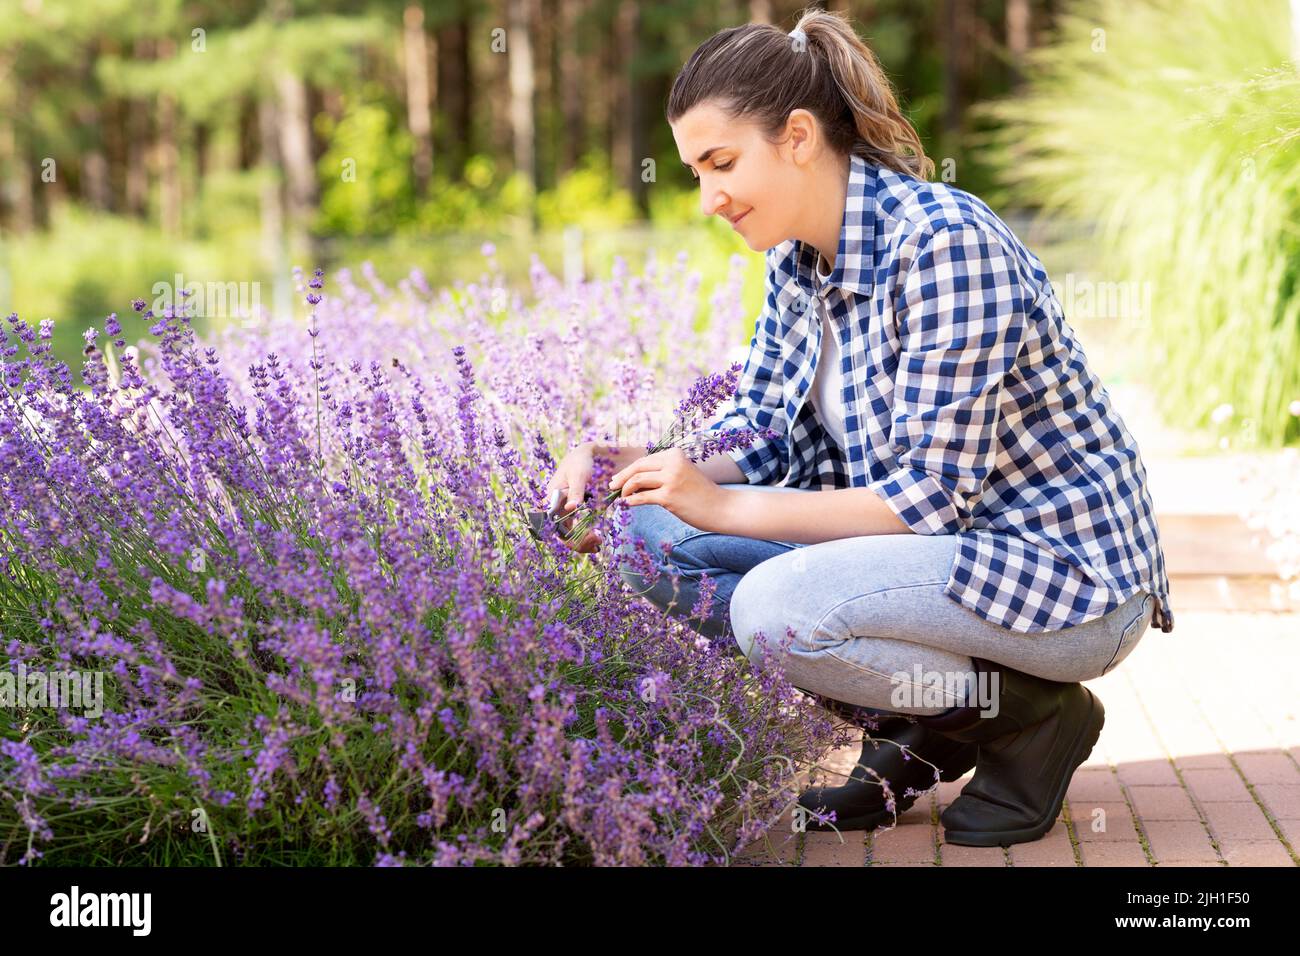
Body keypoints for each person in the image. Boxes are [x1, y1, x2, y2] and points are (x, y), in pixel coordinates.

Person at [544, 8, 1174, 848]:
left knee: (774, 612)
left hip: (1062, 579)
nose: (708, 198)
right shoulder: (797, 261)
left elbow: (925, 501)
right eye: (696, 171)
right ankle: (923, 724)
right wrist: (637, 465)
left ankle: (1025, 721)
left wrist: (723, 509)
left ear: (798, 136)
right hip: (937, 572)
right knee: (645, 536)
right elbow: (768, 432)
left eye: (722, 163)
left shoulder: (946, 245)